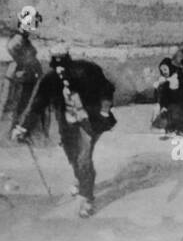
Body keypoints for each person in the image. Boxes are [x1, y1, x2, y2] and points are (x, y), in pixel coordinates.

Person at [13, 47, 117, 218]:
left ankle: (86, 198)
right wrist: (22, 127)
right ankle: (80, 178)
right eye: (57, 67)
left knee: (84, 157)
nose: (61, 71)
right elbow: (37, 103)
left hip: (90, 121)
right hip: (68, 124)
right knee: (73, 155)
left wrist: (104, 109)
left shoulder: (88, 71)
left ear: (70, 63)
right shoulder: (49, 79)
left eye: (64, 67)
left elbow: (107, 88)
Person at [2, 5, 46, 138]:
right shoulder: (17, 40)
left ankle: (20, 130)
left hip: (27, 77)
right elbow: (14, 50)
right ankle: (13, 132)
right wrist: (26, 63)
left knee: (24, 105)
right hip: (20, 77)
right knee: (17, 105)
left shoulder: (23, 40)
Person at [152, 57, 183, 136]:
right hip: (169, 105)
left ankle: (178, 126)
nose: (164, 72)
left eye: (165, 69)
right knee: (164, 121)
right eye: (162, 70)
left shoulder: (178, 76)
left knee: (176, 119)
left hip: (179, 104)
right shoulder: (164, 81)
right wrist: (163, 105)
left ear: (170, 67)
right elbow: (163, 95)